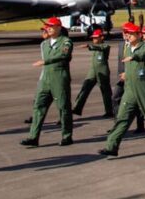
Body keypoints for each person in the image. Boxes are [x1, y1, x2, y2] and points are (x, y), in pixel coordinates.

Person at [100, 23, 145, 157]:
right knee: (122, 117)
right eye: (127, 33)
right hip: (130, 88)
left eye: (131, 34)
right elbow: (129, 67)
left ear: (139, 35)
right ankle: (111, 146)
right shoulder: (127, 48)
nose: (128, 36)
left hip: (144, 87)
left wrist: (135, 56)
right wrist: (126, 74)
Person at [20, 17, 73, 147]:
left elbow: (64, 55)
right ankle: (33, 137)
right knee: (38, 107)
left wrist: (46, 61)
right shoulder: (44, 44)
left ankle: (67, 135)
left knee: (63, 107)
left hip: (59, 78)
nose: (48, 28)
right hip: (45, 79)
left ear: (59, 28)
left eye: (51, 26)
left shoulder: (66, 42)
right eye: (47, 26)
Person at [73, 28, 114, 118]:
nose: (94, 39)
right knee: (85, 87)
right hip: (93, 70)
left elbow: (101, 47)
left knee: (105, 91)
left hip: (102, 70)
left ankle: (110, 110)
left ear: (101, 37)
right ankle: (77, 108)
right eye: (93, 38)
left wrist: (89, 46)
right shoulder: (95, 47)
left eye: (96, 38)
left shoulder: (105, 46)